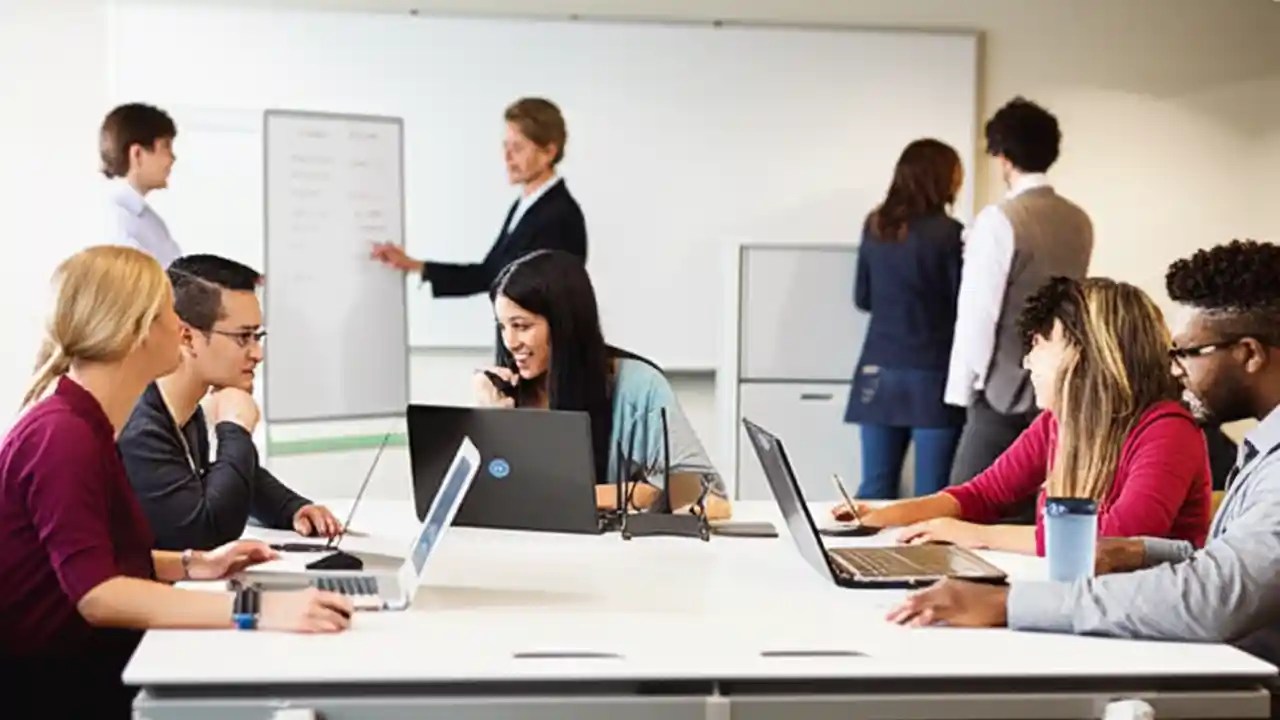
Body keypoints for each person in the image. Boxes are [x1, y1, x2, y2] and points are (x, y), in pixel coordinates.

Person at [885, 240, 1280, 669]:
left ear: (1249, 354)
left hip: (1248, 679)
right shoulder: (1262, 452)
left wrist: (1007, 603)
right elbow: (1235, 565)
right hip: (1225, 662)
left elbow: (1217, 595)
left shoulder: (1187, 435)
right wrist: (1138, 551)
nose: (1175, 368)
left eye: (1188, 353)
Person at [0, 246, 352, 718]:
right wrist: (259, 612)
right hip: (60, 688)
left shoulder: (87, 423)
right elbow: (97, 593)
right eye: (170, 314)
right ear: (136, 332)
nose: (180, 328)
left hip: (83, 668)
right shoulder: (64, 435)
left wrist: (191, 564)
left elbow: (87, 557)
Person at [835, 277, 1212, 556]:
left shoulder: (1167, 432)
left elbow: (1115, 540)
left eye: (1040, 345)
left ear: (1089, 355)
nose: (1027, 361)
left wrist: (974, 535)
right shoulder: (1058, 423)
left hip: (1147, 624)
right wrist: (891, 513)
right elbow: (983, 494)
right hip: (1088, 602)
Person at [473, 250, 731, 520]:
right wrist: (492, 420)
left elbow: (706, 499)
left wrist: (578, 498)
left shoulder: (639, 386)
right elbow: (497, 494)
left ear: (564, 324)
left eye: (522, 326)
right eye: (502, 327)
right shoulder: (503, 390)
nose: (510, 342)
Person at [118, 254, 341, 551]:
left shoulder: (183, 413)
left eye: (258, 336)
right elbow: (205, 533)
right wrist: (234, 427)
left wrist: (291, 508)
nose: (257, 353)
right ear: (187, 337)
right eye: (243, 337)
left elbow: (223, 474)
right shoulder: (141, 430)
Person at [945, 97, 1093, 504]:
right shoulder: (1079, 220)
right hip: (1061, 389)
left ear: (1003, 158)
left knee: (965, 503)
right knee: (1039, 508)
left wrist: (963, 390)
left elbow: (979, 314)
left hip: (1003, 391)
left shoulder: (999, 220)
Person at [845, 138, 966, 499]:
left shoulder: (876, 225)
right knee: (932, 496)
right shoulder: (950, 233)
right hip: (933, 376)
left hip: (877, 373)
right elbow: (962, 304)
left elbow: (862, 298)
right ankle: (924, 558)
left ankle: (860, 558)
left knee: (874, 493)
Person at [370, 97, 587, 297]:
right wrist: (414, 265)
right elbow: (490, 272)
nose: (507, 157)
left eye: (518, 148)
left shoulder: (559, 216)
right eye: (505, 146)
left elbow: (542, 301)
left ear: (549, 152)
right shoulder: (526, 206)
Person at [101, 102, 182, 267]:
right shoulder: (116, 223)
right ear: (137, 154)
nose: (172, 158)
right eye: (166, 146)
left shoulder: (146, 218)